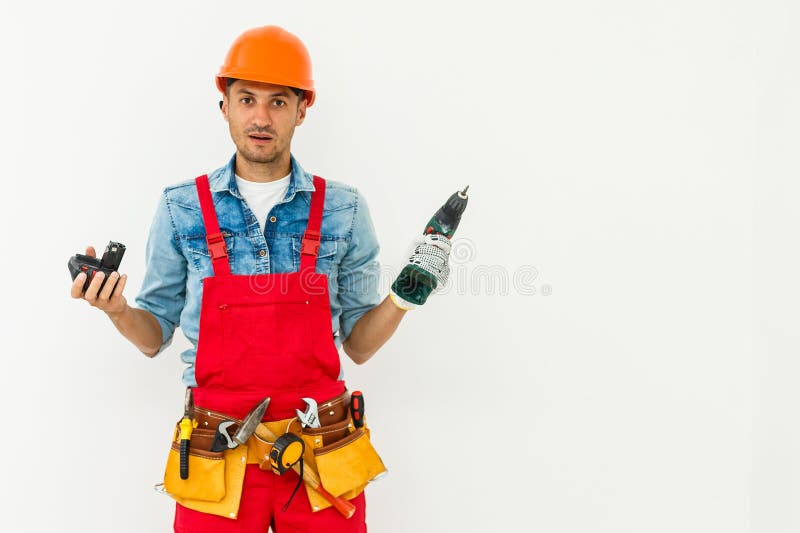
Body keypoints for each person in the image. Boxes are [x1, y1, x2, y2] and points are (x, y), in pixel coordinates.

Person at [69, 25, 452, 532]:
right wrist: (117, 309)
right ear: (224, 105)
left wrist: (405, 298)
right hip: (216, 456)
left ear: (302, 110)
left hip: (321, 454)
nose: (260, 117)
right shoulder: (182, 208)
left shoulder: (344, 209)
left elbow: (358, 345)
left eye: (278, 102)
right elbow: (153, 336)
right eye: (247, 99)